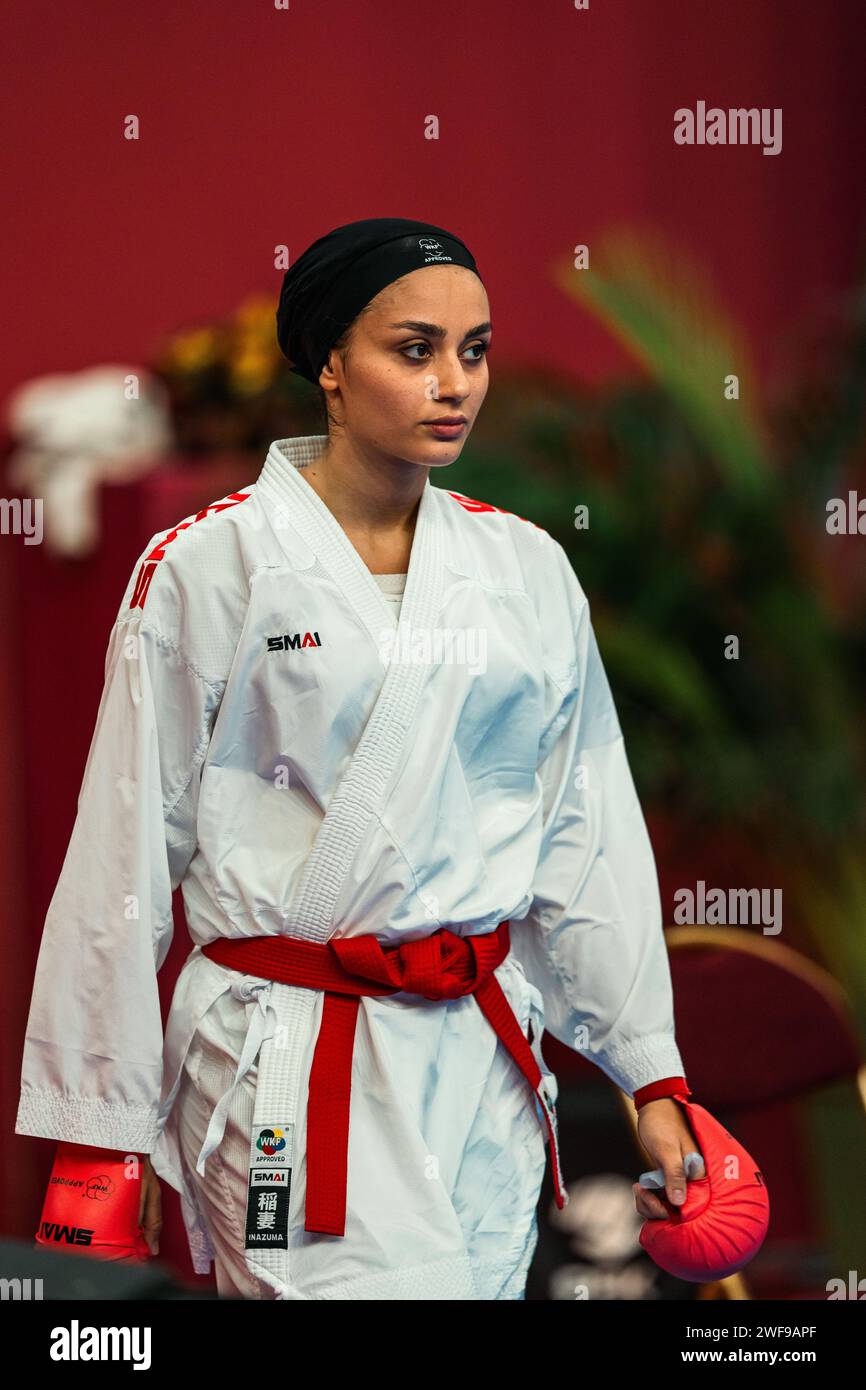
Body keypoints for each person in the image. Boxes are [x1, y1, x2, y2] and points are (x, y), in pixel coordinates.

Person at [16, 217, 699, 1300]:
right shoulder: (210, 564)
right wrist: (102, 1124)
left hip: (476, 1058)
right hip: (290, 1056)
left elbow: (585, 835)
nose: (453, 383)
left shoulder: (524, 569)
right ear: (329, 363)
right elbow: (122, 853)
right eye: (413, 348)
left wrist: (649, 1073)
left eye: (472, 351)